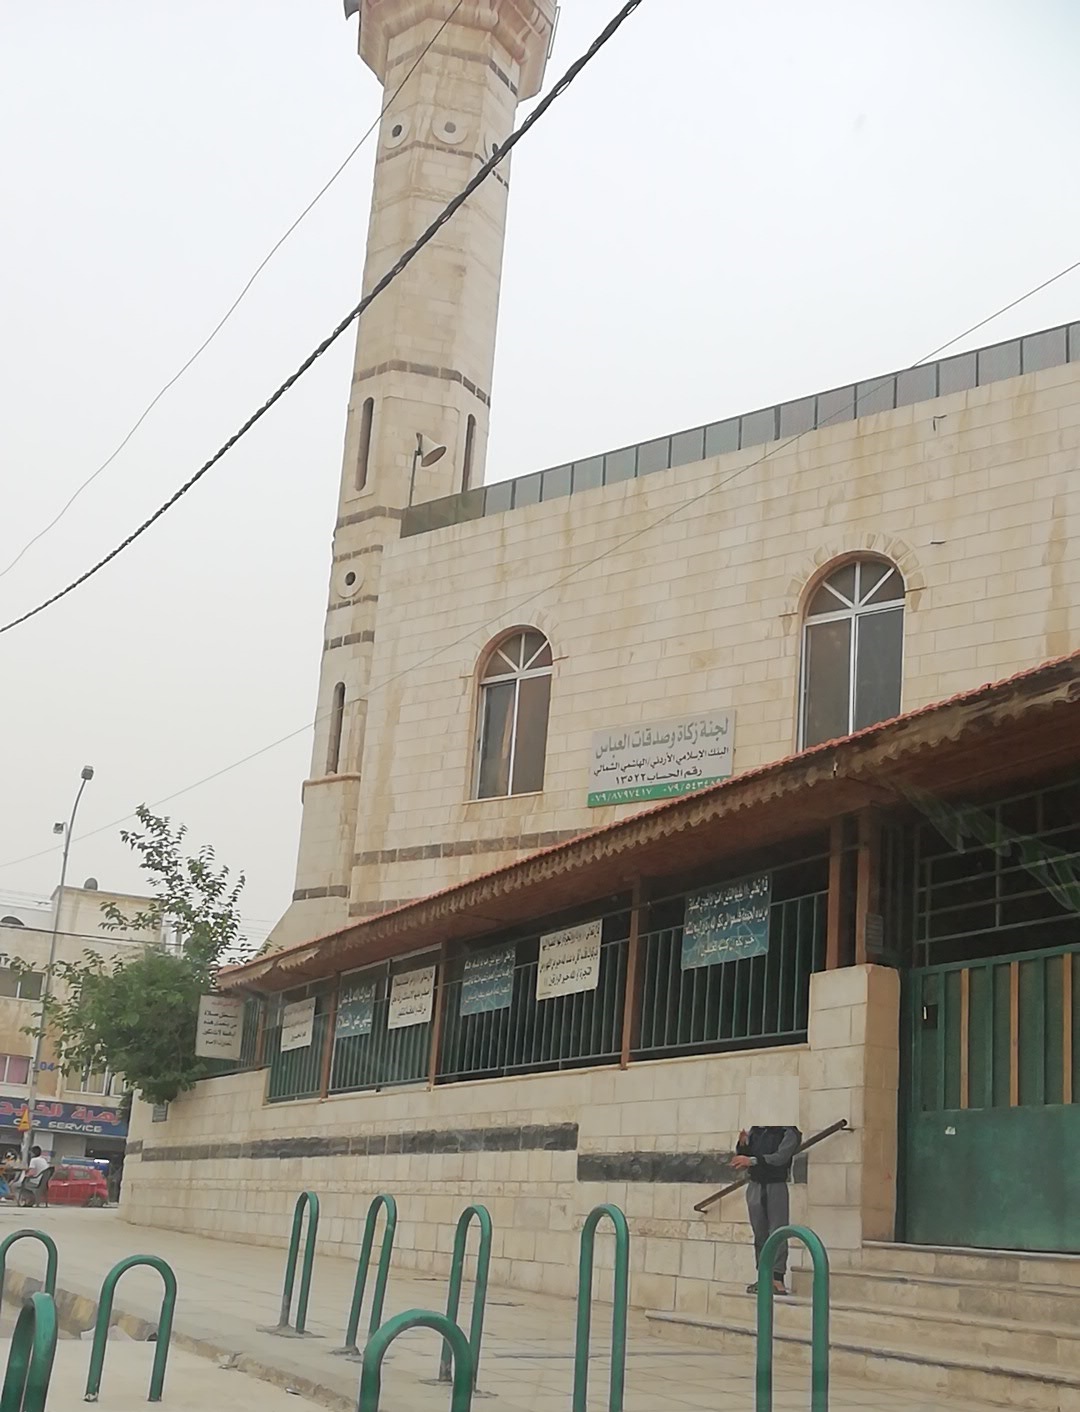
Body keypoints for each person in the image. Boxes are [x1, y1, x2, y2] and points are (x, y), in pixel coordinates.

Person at [732, 1124, 801, 1296]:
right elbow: (747, 1155)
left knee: (777, 1231)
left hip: (775, 1185)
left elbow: (780, 1157)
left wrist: (752, 1160)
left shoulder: (789, 1132)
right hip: (755, 1184)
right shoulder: (757, 1130)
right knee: (760, 1233)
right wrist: (743, 1145)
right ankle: (764, 1275)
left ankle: (777, 1278)